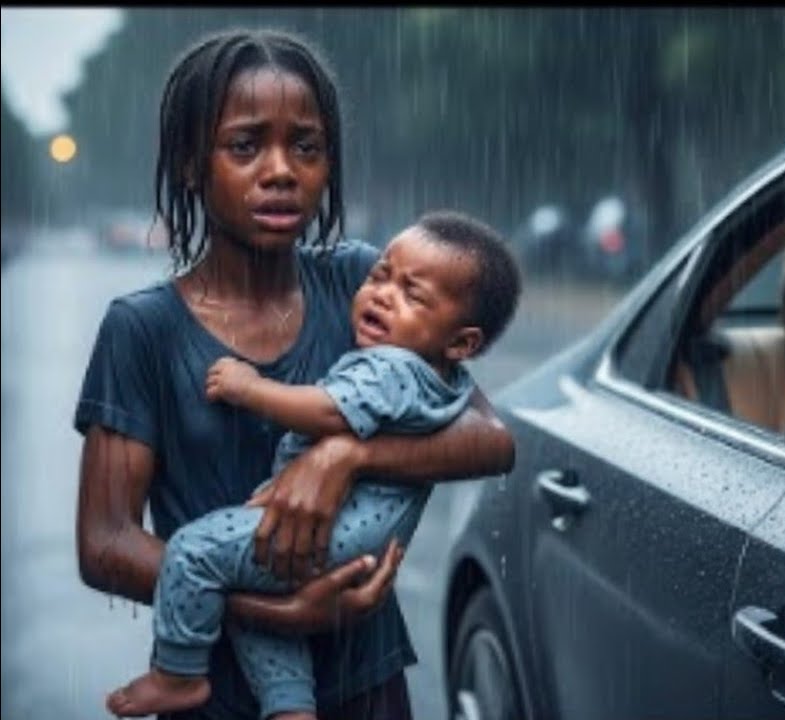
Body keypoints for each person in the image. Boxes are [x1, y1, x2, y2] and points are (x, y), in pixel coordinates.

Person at [75, 29, 515, 720]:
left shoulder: (361, 286)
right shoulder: (143, 329)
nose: (281, 171)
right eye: (245, 146)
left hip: (369, 687)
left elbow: (490, 437)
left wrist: (347, 453)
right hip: (216, 700)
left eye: (305, 148)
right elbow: (104, 544)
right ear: (192, 164)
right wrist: (276, 612)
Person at [105, 211, 521, 719]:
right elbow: (104, 541)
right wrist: (285, 613)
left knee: (194, 550)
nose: (383, 293)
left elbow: (329, 410)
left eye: (412, 295)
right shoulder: (438, 367)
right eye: (382, 277)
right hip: (360, 543)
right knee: (264, 622)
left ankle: (177, 671)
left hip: (333, 541)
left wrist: (254, 390)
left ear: (461, 343)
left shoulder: (389, 363)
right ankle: (291, 708)